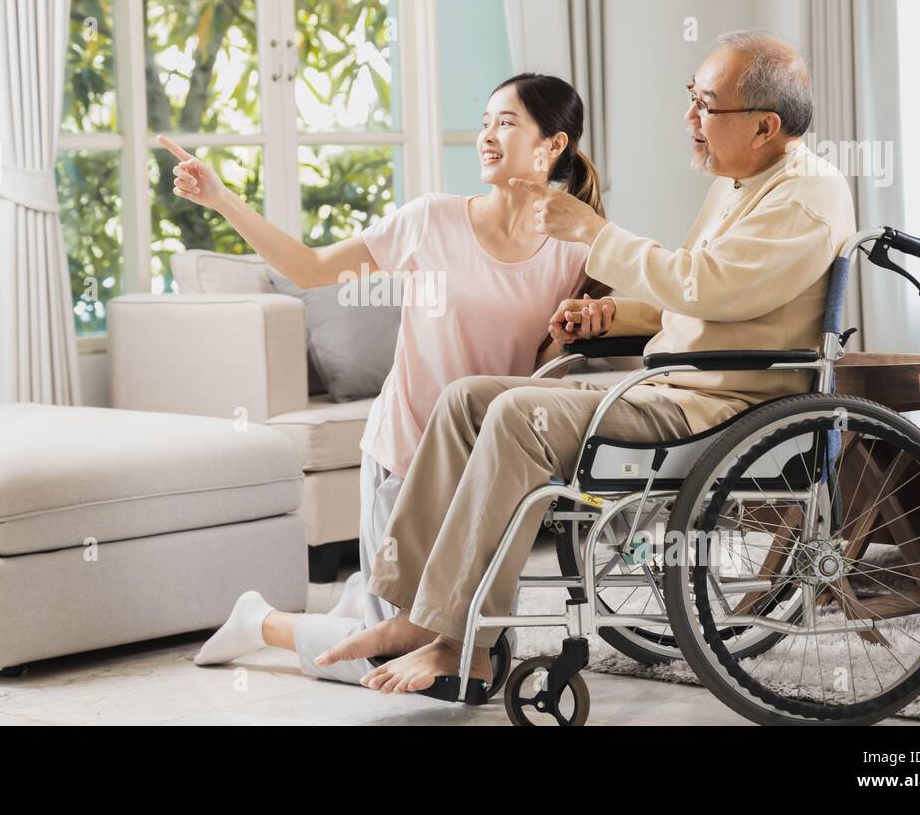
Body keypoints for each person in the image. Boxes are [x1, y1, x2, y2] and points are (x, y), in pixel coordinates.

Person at [319, 30, 859, 693]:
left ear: (764, 125)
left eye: (706, 105)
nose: (690, 118)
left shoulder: (803, 197)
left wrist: (596, 236)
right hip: (674, 388)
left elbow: (704, 285)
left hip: (719, 409)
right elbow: (692, 298)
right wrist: (611, 316)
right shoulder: (742, 180)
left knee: (518, 414)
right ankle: (412, 613)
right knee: (466, 399)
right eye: (691, 98)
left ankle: (465, 638)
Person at [181, 73, 610, 684]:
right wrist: (221, 198)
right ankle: (263, 623)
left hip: (489, 477)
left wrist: (568, 335)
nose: (486, 135)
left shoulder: (573, 251)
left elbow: (542, 368)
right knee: (416, 660)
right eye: (486, 120)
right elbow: (307, 268)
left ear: (552, 145)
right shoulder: (430, 221)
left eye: (506, 123)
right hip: (406, 461)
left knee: (468, 663)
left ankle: (340, 608)